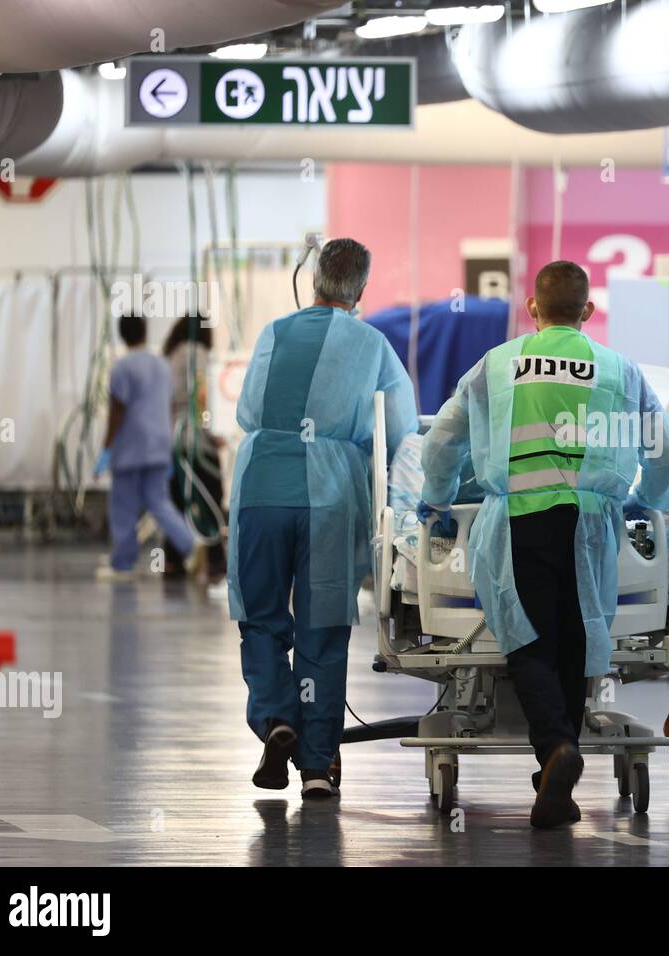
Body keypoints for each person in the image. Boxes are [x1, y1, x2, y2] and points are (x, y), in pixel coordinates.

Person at [419, 260, 669, 829]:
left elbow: (442, 439)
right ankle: (553, 779)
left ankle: (559, 751)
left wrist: (438, 501)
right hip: (592, 523)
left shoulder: (496, 366)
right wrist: (646, 501)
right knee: (574, 637)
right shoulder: (619, 370)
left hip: (519, 519)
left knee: (528, 639)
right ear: (587, 311)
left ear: (532, 309)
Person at [228, 238, 418, 800]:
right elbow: (402, 433)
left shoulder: (274, 333)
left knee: (261, 618)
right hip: (330, 497)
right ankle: (315, 766)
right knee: (323, 631)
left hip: (262, 486)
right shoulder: (374, 346)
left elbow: (247, 412)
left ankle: (277, 717)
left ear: (313, 281)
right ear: (361, 290)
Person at [95, 313, 199, 582]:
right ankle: (191, 545)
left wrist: (106, 449)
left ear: (122, 334)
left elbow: (117, 412)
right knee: (160, 503)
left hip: (131, 448)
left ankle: (123, 563)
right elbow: (166, 405)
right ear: (144, 331)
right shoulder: (162, 365)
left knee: (124, 508)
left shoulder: (122, 368)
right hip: (159, 445)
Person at [162, 317, 226, 580]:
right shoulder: (197, 354)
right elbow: (201, 397)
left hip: (173, 439)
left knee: (177, 500)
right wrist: (211, 434)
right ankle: (215, 561)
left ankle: (172, 560)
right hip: (196, 439)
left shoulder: (169, 357)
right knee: (210, 497)